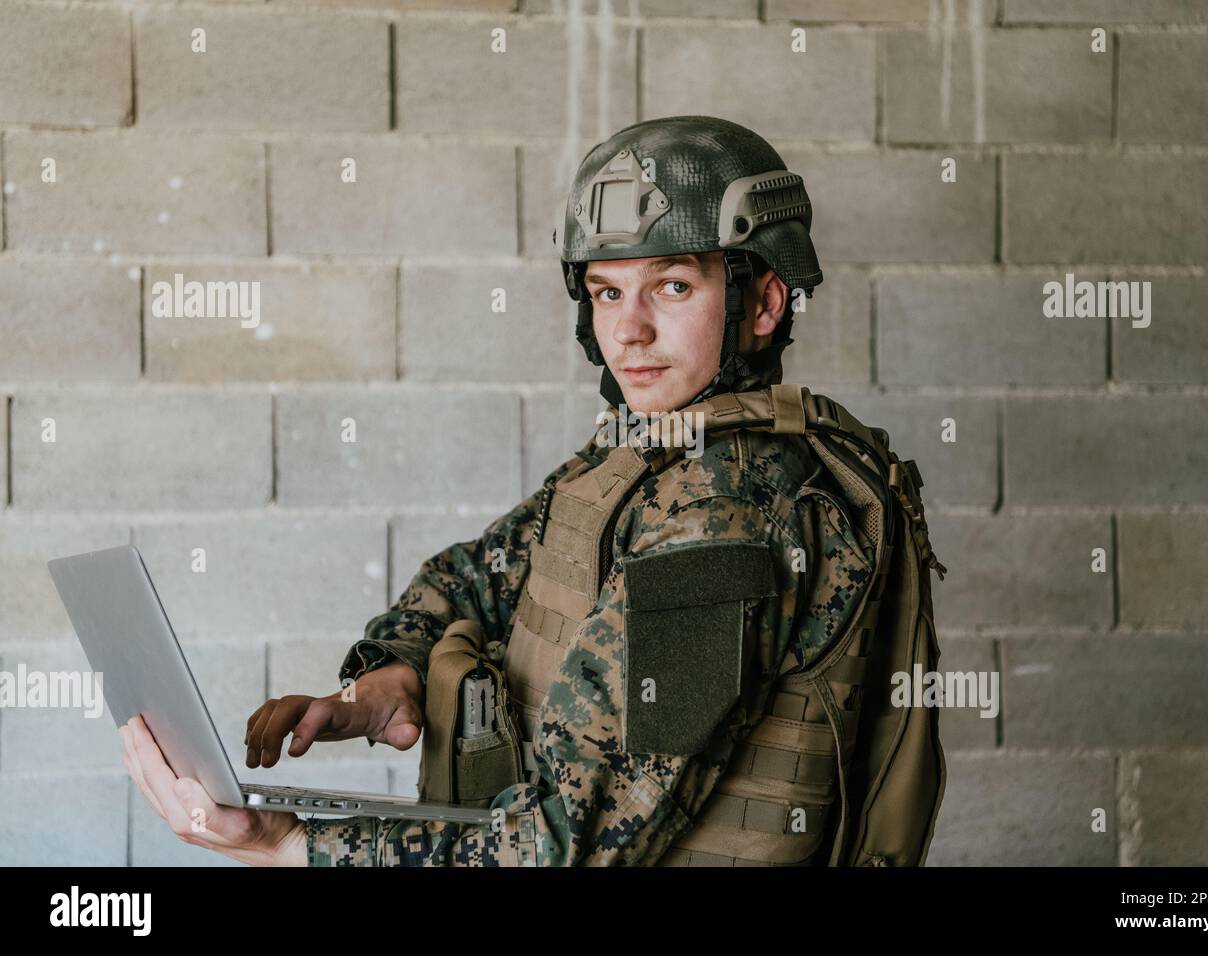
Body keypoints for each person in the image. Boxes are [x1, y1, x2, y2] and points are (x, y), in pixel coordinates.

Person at [120, 115, 944, 867]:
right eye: (607, 291)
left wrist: (293, 846)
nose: (629, 330)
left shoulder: (733, 520)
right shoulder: (646, 458)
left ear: (763, 302)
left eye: (672, 287)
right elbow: (477, 573)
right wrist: (387, 680)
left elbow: (567, 845)